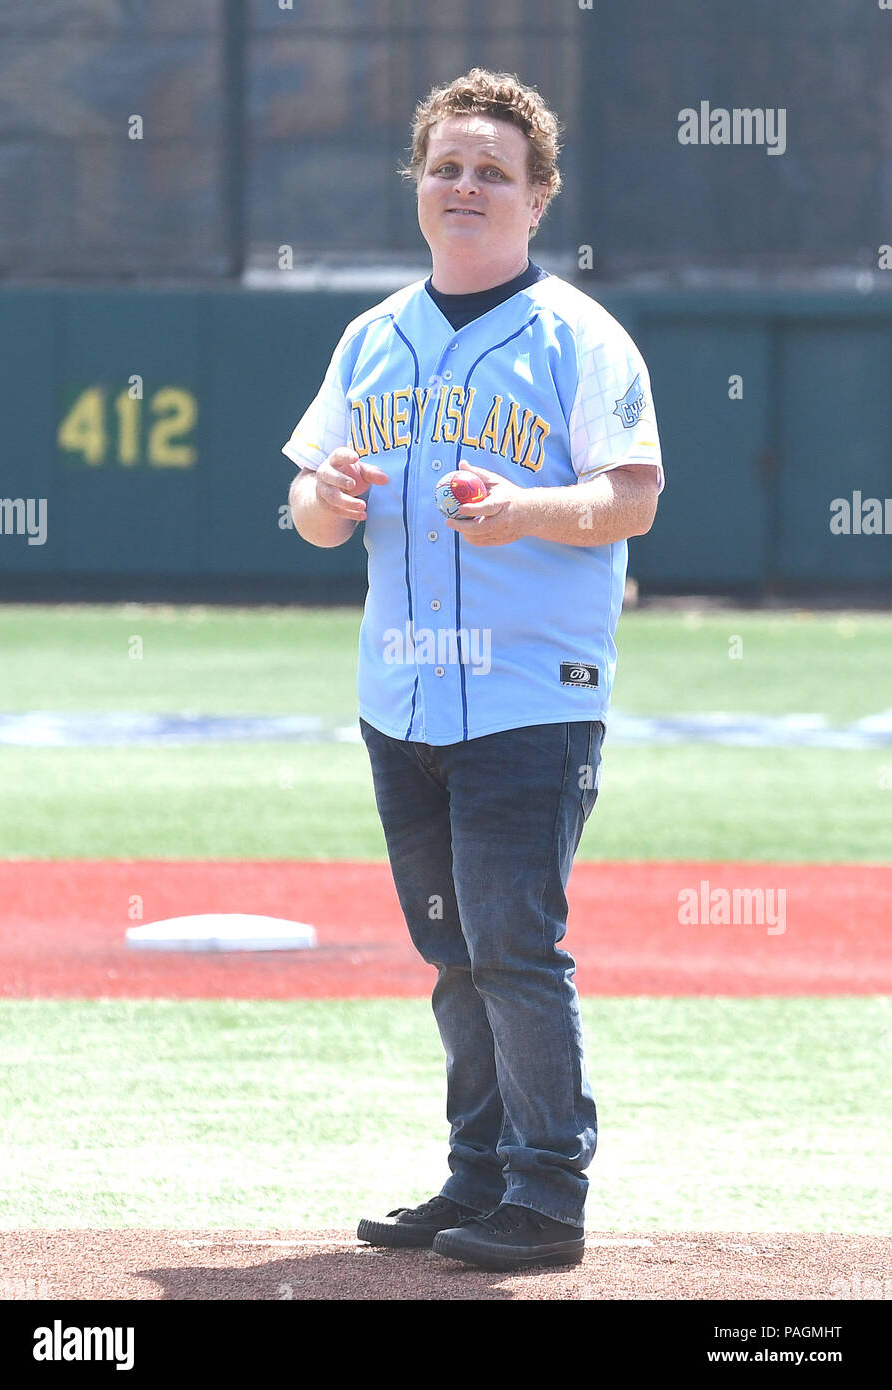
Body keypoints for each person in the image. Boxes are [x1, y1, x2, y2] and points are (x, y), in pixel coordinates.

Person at [283, 68, 664, 1272]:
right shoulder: (372, 336)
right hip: (399, 697)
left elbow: (632, 498)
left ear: (538, 196)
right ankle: (477, 1176)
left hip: (527, 700)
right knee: (453, 955)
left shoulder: (579, 337)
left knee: (513, 947)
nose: (465, 185)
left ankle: (548, 1195)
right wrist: (325, 496)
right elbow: (308, 503)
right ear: (419, 186)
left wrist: (527, 506)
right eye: (447, 165)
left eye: (493, 169)